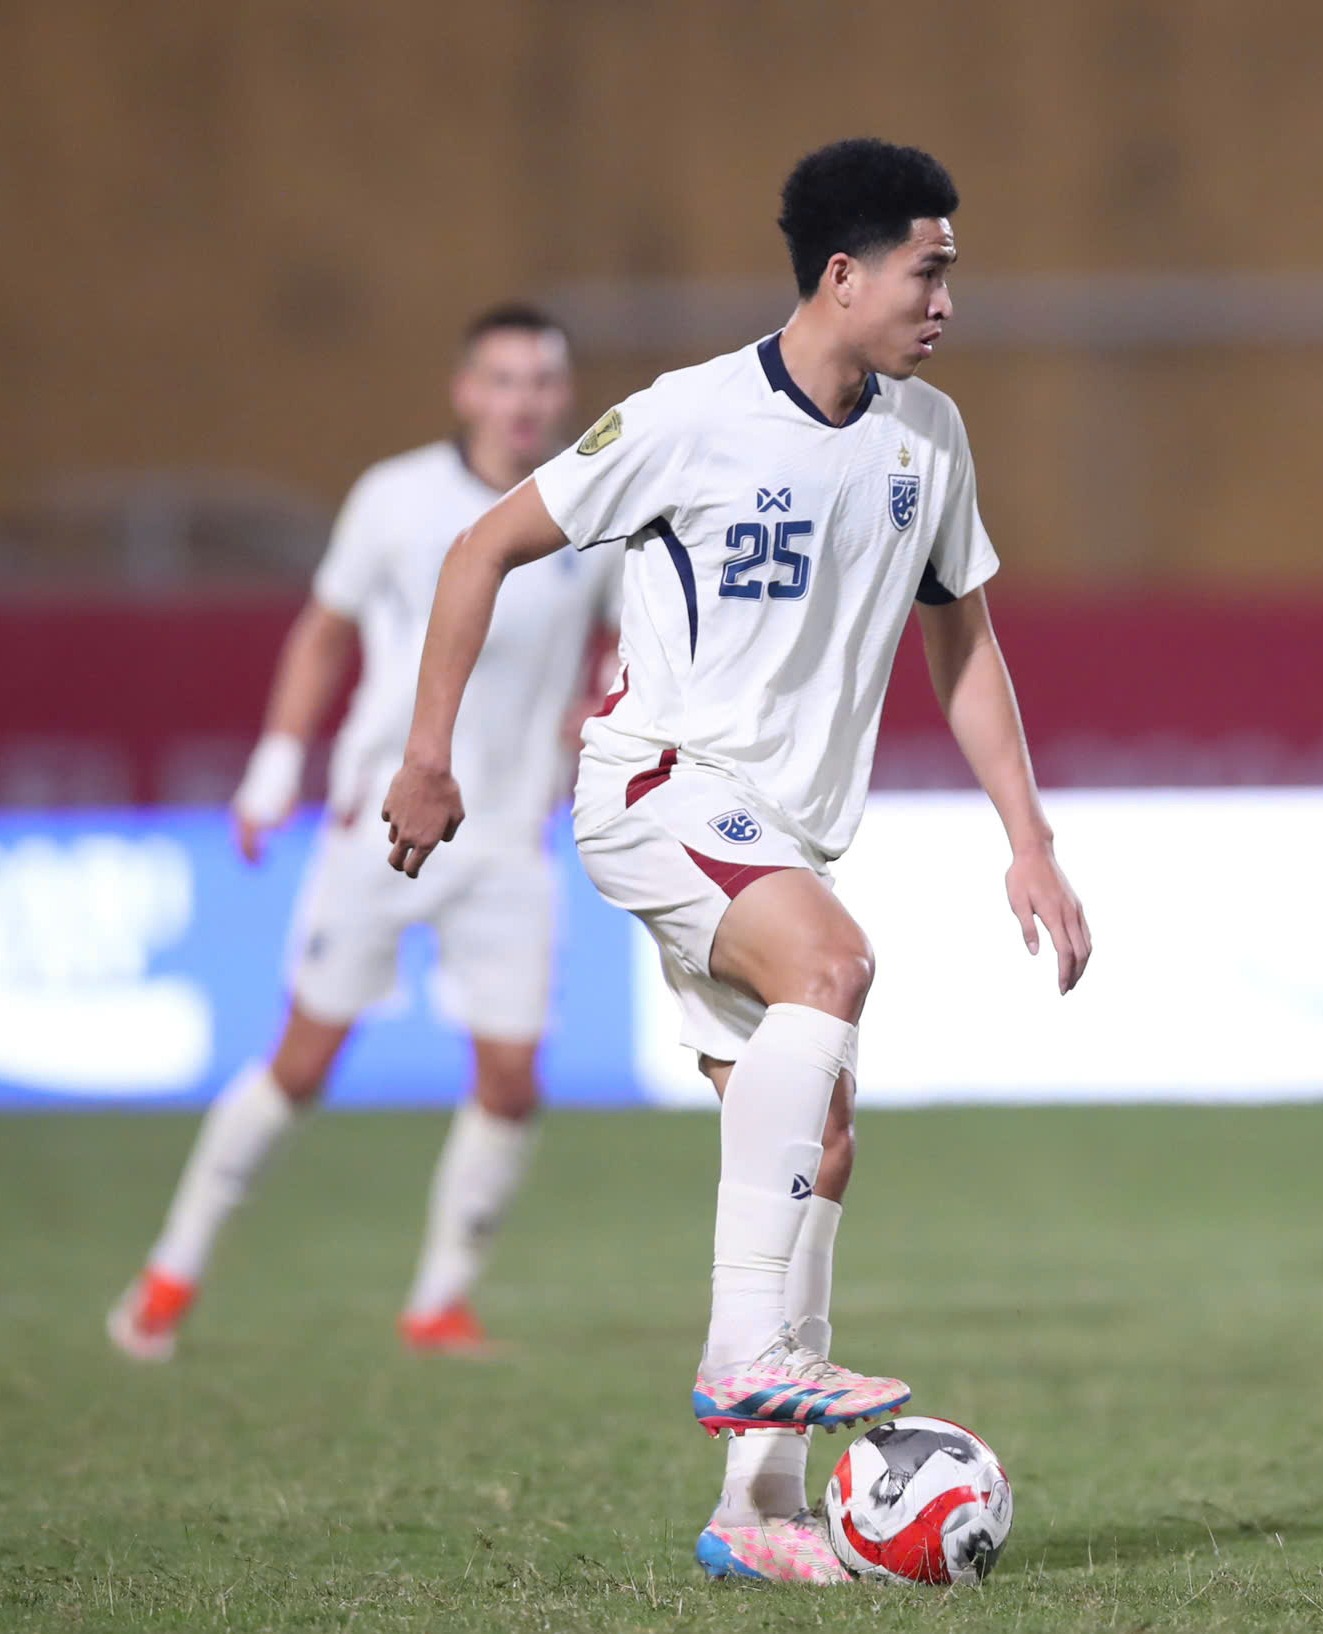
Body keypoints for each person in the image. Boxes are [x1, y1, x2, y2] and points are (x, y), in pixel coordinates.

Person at [378, 138, 1091, 1587]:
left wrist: (1032, 841)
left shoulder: (928, 439)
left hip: (782, 831)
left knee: (817, 1138)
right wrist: (428, 755)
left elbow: (966, 646)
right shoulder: (686, 417)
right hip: (658, 786)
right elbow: (478, 548)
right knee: (836, 963)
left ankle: (755, 1512)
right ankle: (743, 1346)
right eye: (928, 269)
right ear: (846, 273)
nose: (948, 297)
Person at [108, 306, 613, 1363]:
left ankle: (439, 1300)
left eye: (542, 382)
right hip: (379, 826)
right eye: (504, 379)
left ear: (561, 396)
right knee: (300, 1065)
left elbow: (616, 641)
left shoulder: (588, 504)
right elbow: (325, 632)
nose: (524, 400)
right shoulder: (395, 498)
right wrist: (273, 767)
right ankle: (170, 1270)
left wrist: (607, 701)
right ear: (465, 391)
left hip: (510, 835)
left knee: (514, 1078)